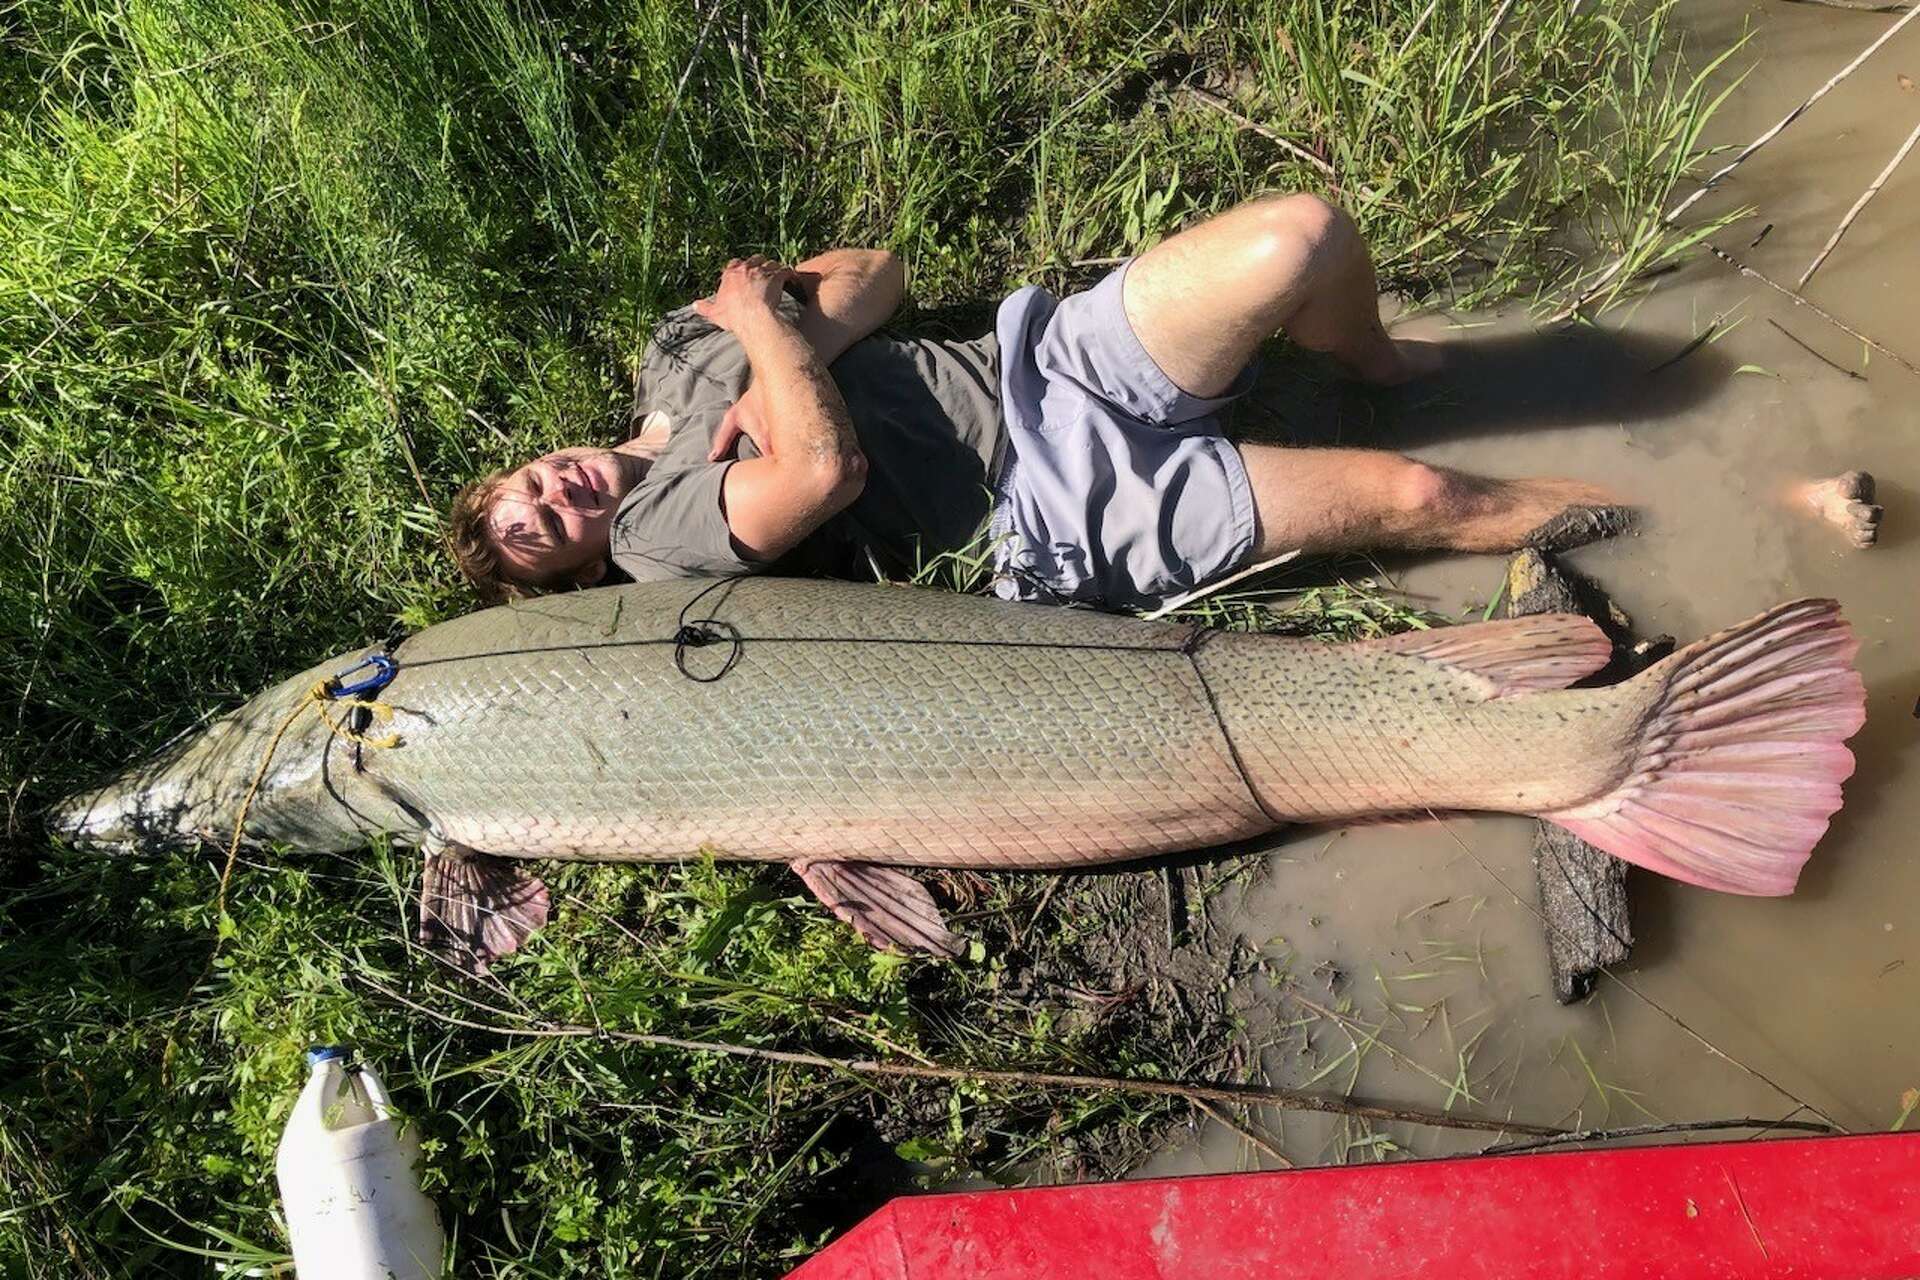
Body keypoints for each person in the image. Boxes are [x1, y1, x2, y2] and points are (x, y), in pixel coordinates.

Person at [449, 193, 1638, 609]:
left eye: (531, 488)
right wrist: (767, 322)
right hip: (1054, 503)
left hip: (1045, 361)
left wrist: (776, 362)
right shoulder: (661, 544)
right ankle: (1657, 515)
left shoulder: (673, 353)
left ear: (536, 455)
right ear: (583, 569)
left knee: (1302, 240)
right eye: (550, 534)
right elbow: (823, 476)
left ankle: (1376, 366)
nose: (558, 498)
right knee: (1422, 494)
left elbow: (878, 272)